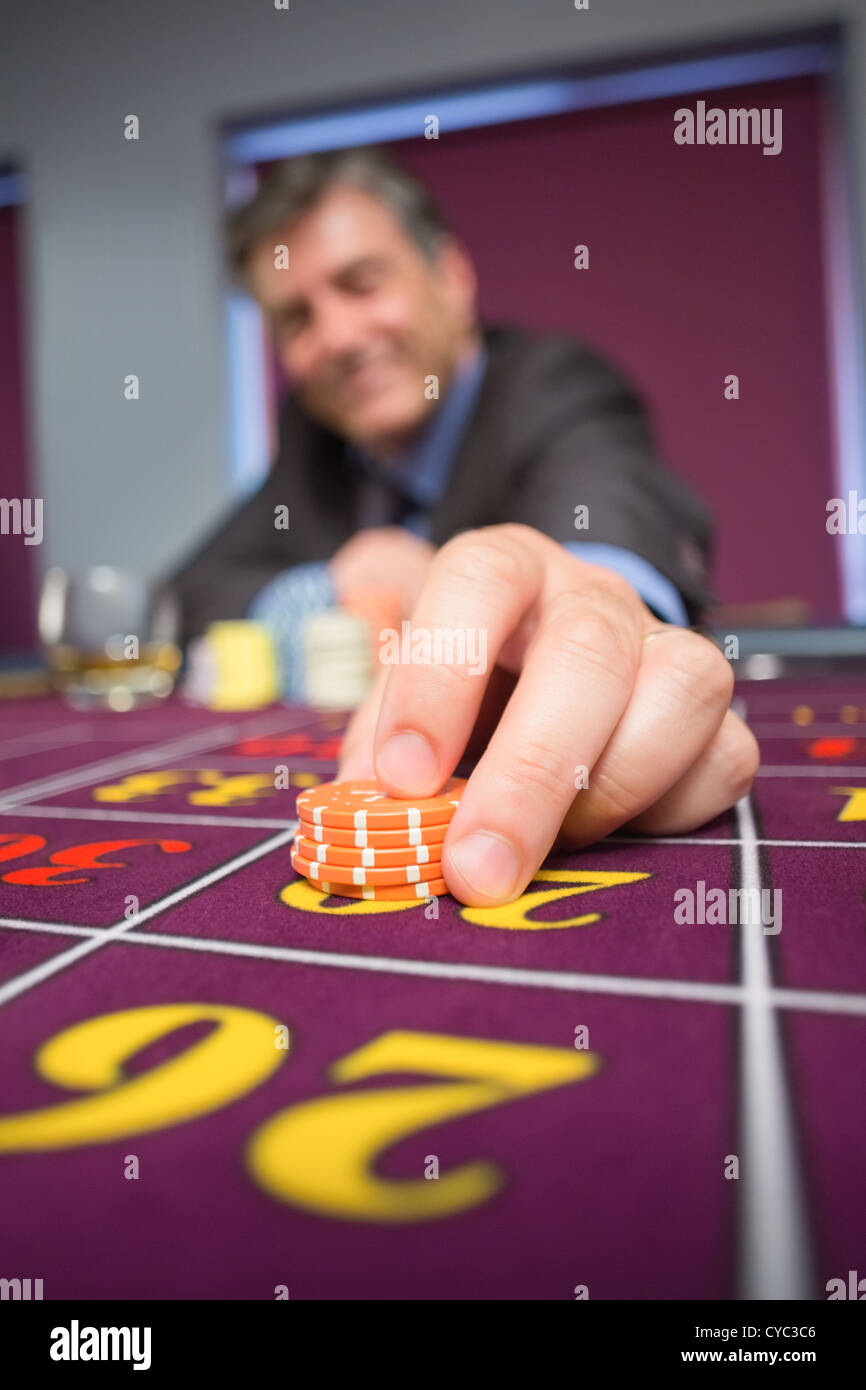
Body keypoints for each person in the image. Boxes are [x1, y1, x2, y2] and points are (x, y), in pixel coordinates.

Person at [165, 145, 758, 906]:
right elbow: (188, 594)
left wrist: (597, 612)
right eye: (296, 318)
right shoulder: (312, 439)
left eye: (361, 283)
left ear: (451, 276)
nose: (339, 338)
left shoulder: (552, 384)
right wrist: (336, 584)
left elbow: (610, 524)